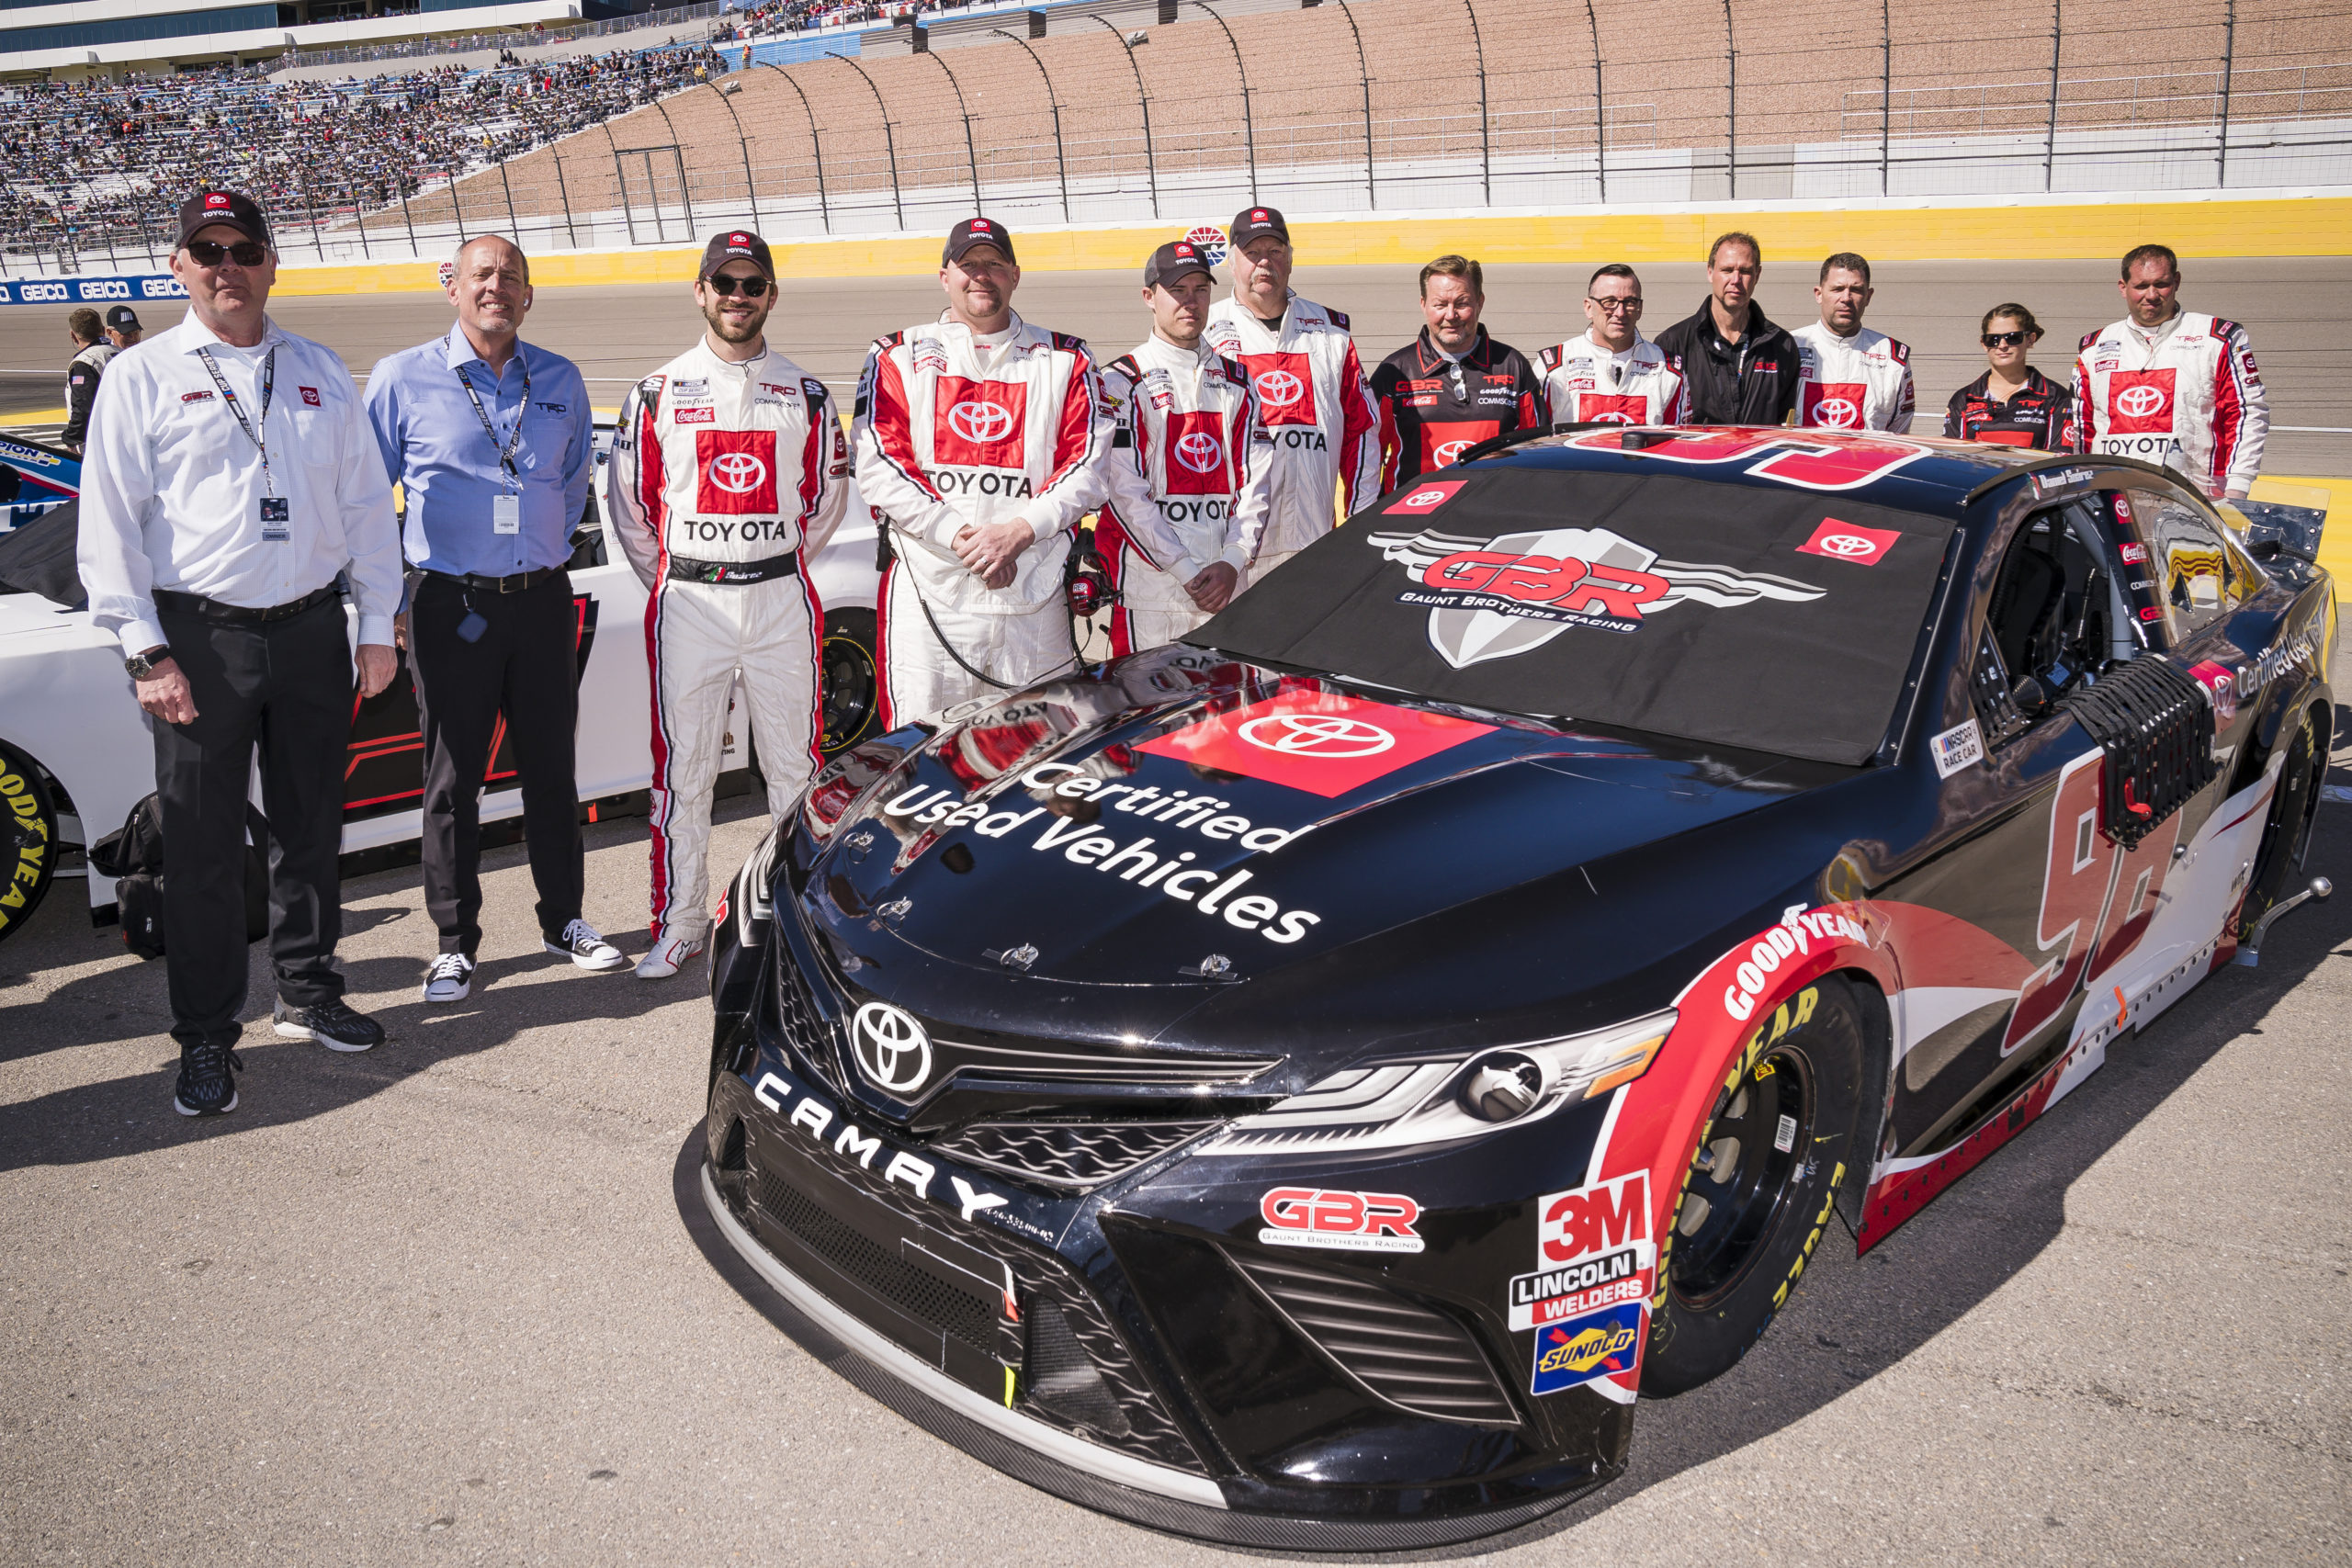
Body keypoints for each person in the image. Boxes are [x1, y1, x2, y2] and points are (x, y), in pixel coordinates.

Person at [77, 188, 402, 1116]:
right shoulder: (141, 376)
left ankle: (306, 992)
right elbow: (110, 530)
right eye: (207, 249)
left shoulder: (318, 369)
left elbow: (363, 511)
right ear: (179, 265)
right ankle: (206, 1037)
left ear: (270, 263)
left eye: (243, 249)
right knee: (205, 852)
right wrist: (146, 653)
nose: (228, 266)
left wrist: (375, 625)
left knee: (309, 831)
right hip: (199, 641)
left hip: (308, 632)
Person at [366, 234, 617, 1005]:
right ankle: (452, 941)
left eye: (510, 277)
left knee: (552, 770)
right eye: (481, 275)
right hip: (450, 604)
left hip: (542, 599)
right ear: (454, 288)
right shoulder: (401, 379)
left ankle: (563, 918)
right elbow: (368, 500)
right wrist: (386, 604)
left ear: (528, 294)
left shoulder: (561, 377)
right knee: (453, 780)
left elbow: (572, 487)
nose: (495, 287)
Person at [605, 231, 850, 980]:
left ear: (771, 295)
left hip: (780, 597)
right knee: (684, 774)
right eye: (725, 283)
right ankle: (679, 923)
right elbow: (630, 507)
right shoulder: (655, 390)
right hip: (690, 601)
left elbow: (827, 501)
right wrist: (687, 573)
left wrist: (768, 560)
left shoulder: (807, 393)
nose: (737, 298)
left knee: (794, 769)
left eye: (752, 285)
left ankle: (790, 919)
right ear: (700, 291)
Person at [852, 217, 1110, 728]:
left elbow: (1090, 466)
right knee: (918, 763)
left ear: (1015, 274)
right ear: (943, 275)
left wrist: (1018, 532)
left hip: (1034, 592)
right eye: (968, 265)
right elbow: (881, 465)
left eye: (994, 264)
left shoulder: (1067, 358)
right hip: (931, 596)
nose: (981, 275)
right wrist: (966, 538)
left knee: (1041, 761)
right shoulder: (896, 354)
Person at [1094, 238, 1273, 656]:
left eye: (1200, 289)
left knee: (1228, 709)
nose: (1190, 302)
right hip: (1151, 591)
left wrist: (1233, 560)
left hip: (1228, 585)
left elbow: (1258, 480)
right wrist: (1186, 569)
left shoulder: (1239, 381)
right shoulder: (1121, 381)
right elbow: (1124, 493)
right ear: (1149, 297)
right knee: (1149, 714)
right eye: (1177, 290)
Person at [1204, 206, 1379, 581]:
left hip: (1313, 541)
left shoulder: (1331, 332)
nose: (1265, 263)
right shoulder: (1204, 332)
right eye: (1252, 254)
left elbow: (1362, 431)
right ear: (1231, 262)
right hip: (1230, 551)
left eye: (1275, 251)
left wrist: (1361, 520)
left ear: (1290, 259)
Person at [2072, 243, 2268, 500]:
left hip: (2196, 498)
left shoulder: (2218, 337)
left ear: (2176, 281)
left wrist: (2238, 486)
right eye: (2141, 286)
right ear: (2123, 287)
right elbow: (2081, 426)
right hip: (2114, 497)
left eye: (2161, 284)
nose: (2151, 295)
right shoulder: (2094, 346)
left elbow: (2246, 412)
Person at [1370, 254, 1542, 488]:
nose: (1451, 316)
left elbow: (1539, 452)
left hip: (1493, 514)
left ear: (1480, 302)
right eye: (1440, 304)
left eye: (1462, 303)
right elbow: (1367, 457)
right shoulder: (1395, 372)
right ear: (1423, 304)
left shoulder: (1513, 366)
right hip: (1411, 517)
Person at [1651, 231, 1801, 426]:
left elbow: (1785, 423)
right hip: (1698, 456)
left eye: (1745, 271)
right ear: (1710, 272)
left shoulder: (1782, 345)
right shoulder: (1672, 343)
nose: (1736, 280)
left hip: (1756, 456)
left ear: (1757, 275)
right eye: (1727, 270)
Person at [1536, 263, 1690, 427]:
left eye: (1630, 302)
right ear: (1588, 308)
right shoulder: (1554, 365)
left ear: (1640, 308)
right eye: (1609, 302)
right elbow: (1533, 443)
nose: (1620, 312)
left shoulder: (1668, 369)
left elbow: (1676, 441)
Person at [1792, 252, 1914, 433]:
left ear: (1868, 296)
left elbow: (1899, 433)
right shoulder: (1789, 347)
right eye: (1837, 289)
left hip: (1868, 461)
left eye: (1856, 290)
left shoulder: (1892, 357)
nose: (1846, 298)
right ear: (1819, 294)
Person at [1943, 304, 2080, 451]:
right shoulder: (1964, 399)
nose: (2002, 345)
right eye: (1993, 339)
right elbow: (1951, 457)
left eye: (2013, 338)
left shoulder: (2054, 396)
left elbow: (2060, 458)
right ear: (1984, 344)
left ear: (2030, 339)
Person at [61, 307, 114, 453]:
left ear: (73, 335)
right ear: (103, 330)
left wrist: (71, 437)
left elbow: (83, 407)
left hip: (98, 443)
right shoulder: (122, 353)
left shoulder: (85, 363)